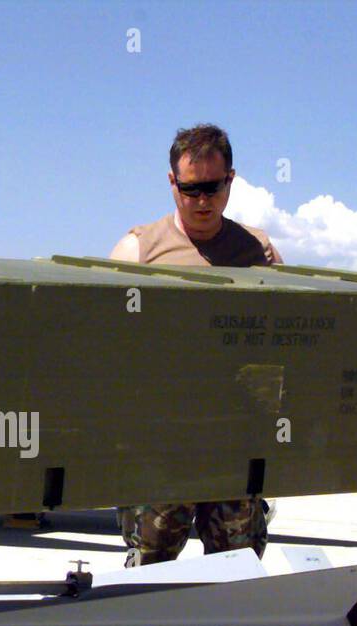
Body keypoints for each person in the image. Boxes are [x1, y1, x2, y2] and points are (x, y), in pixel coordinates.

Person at [111, 124, 282, 567]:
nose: (203, 201)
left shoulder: (257, 253)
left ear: (231, 180)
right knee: (149, 573)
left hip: (234, 442)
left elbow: (286, 346)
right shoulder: (139, 250)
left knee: (238, 571)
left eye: (213, 188)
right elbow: (103, 347)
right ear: (172, 183)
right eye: (191, 190)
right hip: (160, 443)